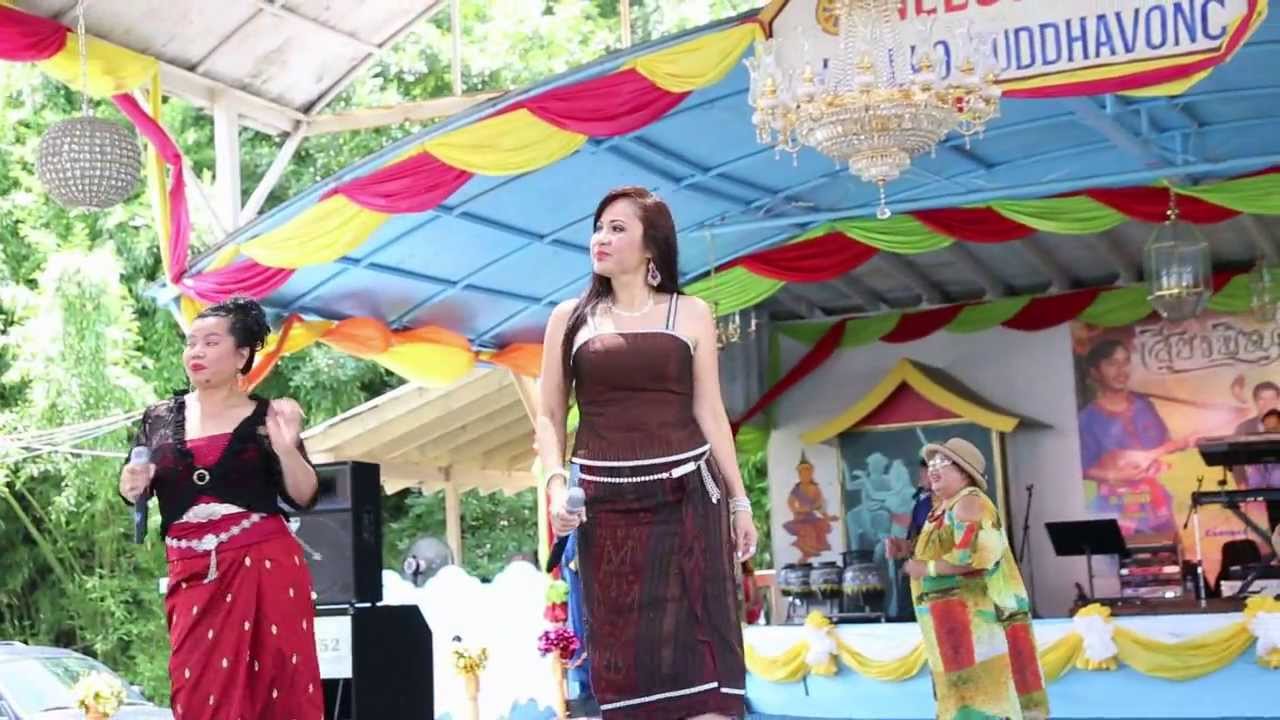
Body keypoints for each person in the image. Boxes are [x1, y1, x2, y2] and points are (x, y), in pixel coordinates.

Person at [537, 186, 755, 719]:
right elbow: (548, 416)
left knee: (707, 663)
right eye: (599, 226)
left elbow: (710, 413)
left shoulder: (692, 313)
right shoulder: (569, 318)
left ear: (651, 246)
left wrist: (740, 500)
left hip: (688, 499)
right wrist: (555, 486)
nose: (600, 238)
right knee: (626, 667)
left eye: (617, 228)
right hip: (607, 512)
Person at [118, 298, 321, 720]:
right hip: (191, 571)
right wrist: (132, 485)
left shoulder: (269, 417)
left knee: (276, 692)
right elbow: (132, 485)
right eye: (191, 343)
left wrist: (286, 449)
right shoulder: (158, 419)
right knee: (198, 694)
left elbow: (304, 495)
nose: (196, 352)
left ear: (242, 355)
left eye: (211, 342)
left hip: (265, 564)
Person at [903, 438, 1048, 720]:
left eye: (942, 463)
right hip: (952, 622)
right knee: (964, 699)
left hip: (977, 620)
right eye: (931, 463)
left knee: (985, 698)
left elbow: (973, 558)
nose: (933, 469)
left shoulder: (969, 501)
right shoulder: (942, 509)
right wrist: (908, 551)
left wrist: (927, 569)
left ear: (965, 472)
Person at [1077, 339, 1194, 535]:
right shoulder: (1087, 418)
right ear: (1094, 372)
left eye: (1125, 362)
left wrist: (1183, 443)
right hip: (1116, 511)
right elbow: (1083, 468)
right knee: (1128, 561)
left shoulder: (1144, 406)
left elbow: (1163, 444)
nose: (1121, 370)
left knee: (1169, 560)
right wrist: (1115, 476)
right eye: (1112, 364)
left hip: (1158, 504)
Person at [782, 452, 838, 562]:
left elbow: (820, 506)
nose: (805, 475)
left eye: (807, 473)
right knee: (807, 533)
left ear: (811, 473)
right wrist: (797, 510)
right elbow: (790, 502)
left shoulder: (815, 488)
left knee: (816, 533)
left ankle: (805, 558)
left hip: (812, 517)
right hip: (801, 518)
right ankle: (805, 558)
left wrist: (828, 517)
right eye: (802, 473)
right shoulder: (797, 488)